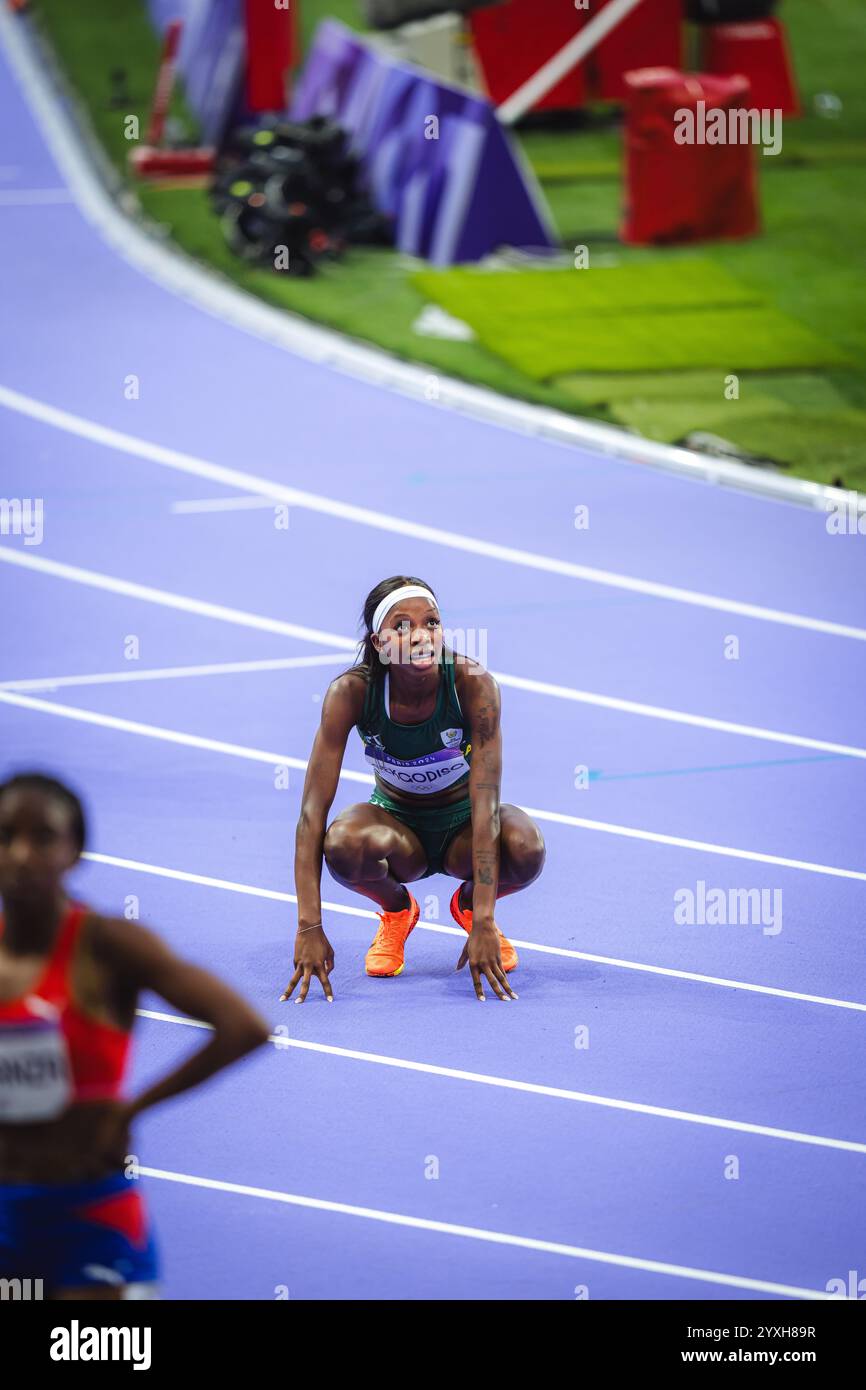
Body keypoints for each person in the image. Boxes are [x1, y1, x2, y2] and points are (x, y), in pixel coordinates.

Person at [0, 772, 270, 1299]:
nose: (21, 855)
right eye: (5, 836)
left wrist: (133, 1109)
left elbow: (242, 1027)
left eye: (43, 838)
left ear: (74, 850)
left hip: (89, 1218)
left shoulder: (108, 946)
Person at [282, 575, 545, 1005]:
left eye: (432, 622)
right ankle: (397, 911)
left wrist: (483, 918)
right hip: (399, 829)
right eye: (401, 626)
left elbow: (487, 807)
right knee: (344, 844)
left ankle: (465, 904)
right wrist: (309, 926)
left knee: (525, 847)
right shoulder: (351, 693)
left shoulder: (473, 686)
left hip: (465, 827)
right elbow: (312, 812)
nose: (421, 635)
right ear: (379, 643)